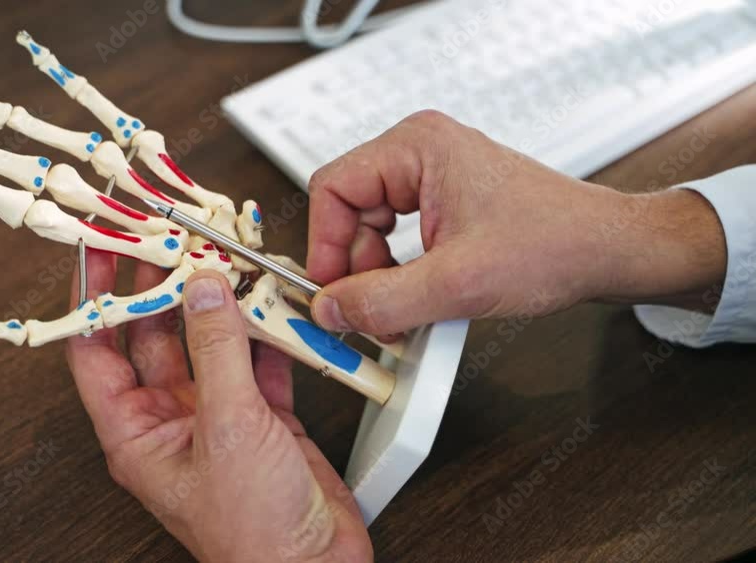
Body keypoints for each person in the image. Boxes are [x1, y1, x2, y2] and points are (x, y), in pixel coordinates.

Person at [66, 111, 755, 562]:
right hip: (270, 308)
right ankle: (378, 367)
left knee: (350, 345)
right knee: (344, 351)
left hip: (277, 301)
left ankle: (380, 366)